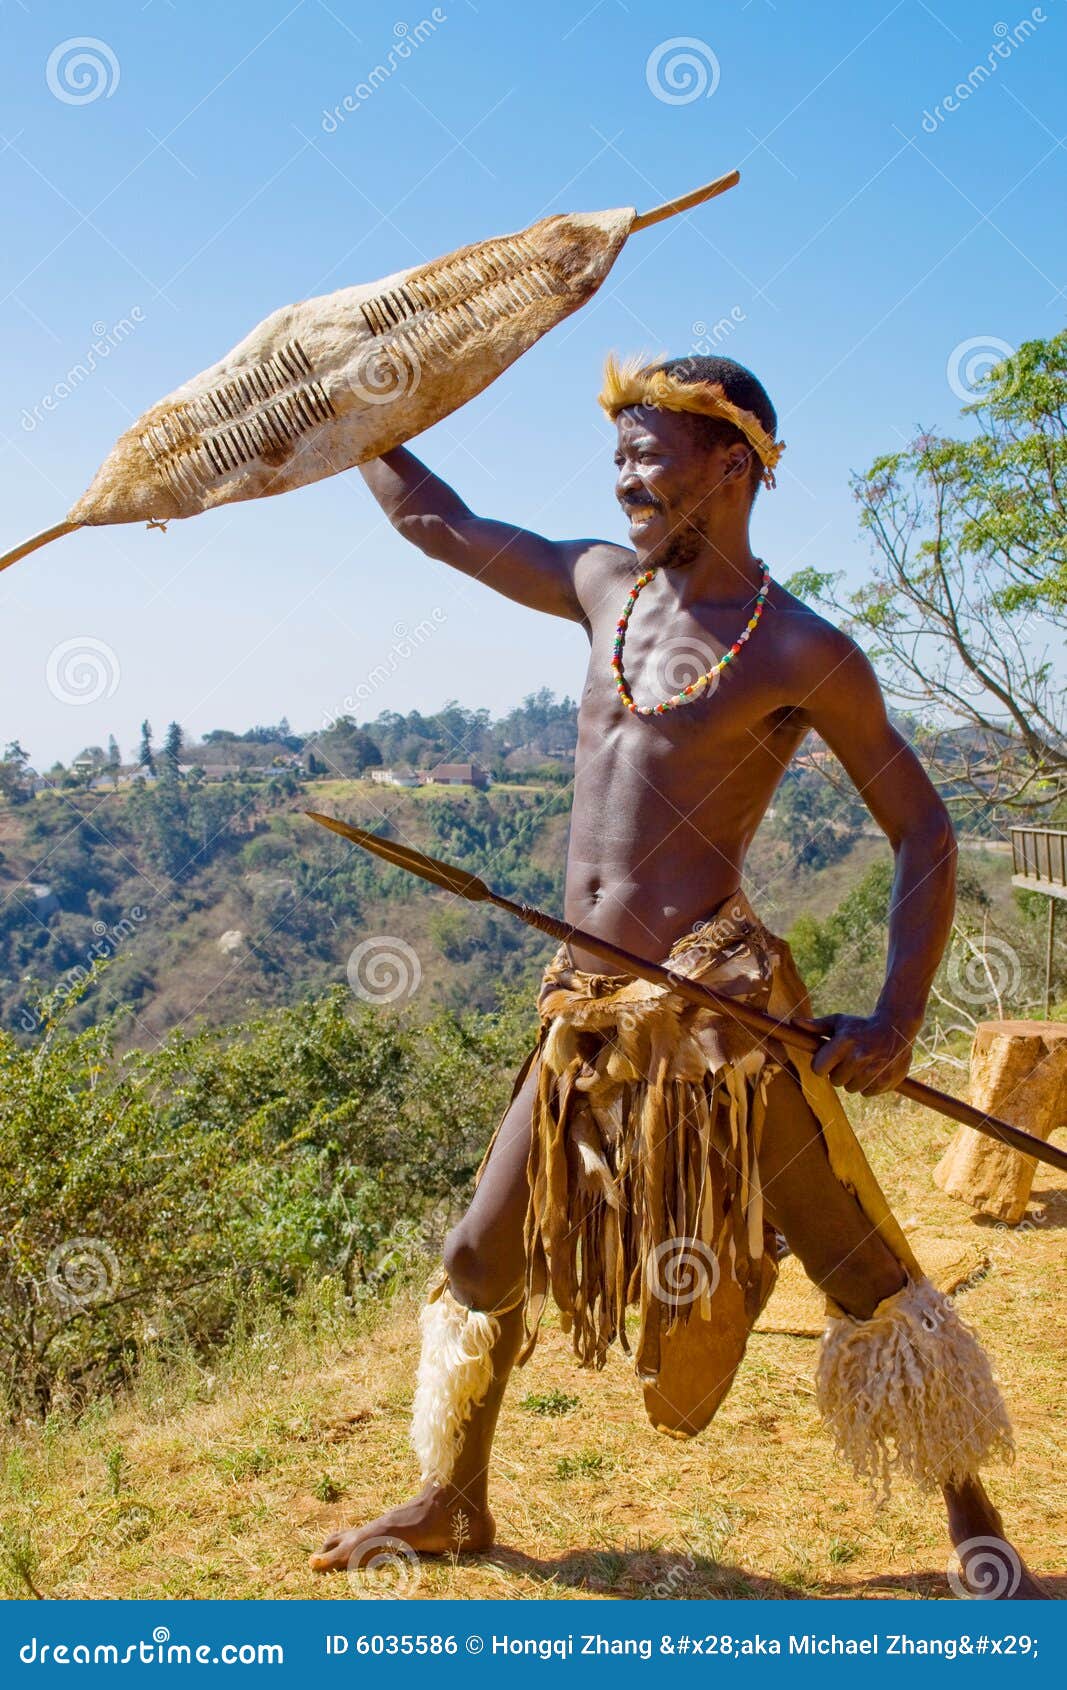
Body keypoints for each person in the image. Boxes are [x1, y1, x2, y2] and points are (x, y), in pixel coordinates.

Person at [310, 352, 1043, 1597]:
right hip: (584, 1010)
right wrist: (348, 416)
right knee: (481, 1257)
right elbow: (439, 524)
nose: (622, 478)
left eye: (647, 455)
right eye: (617, 455)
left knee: (860, 1269)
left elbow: (923, 829)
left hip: (719, 1018)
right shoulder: (603, 585)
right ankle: (454, 1497)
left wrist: (896, 1018)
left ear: (731, 464)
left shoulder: (799, 648)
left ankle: (977, 1531)